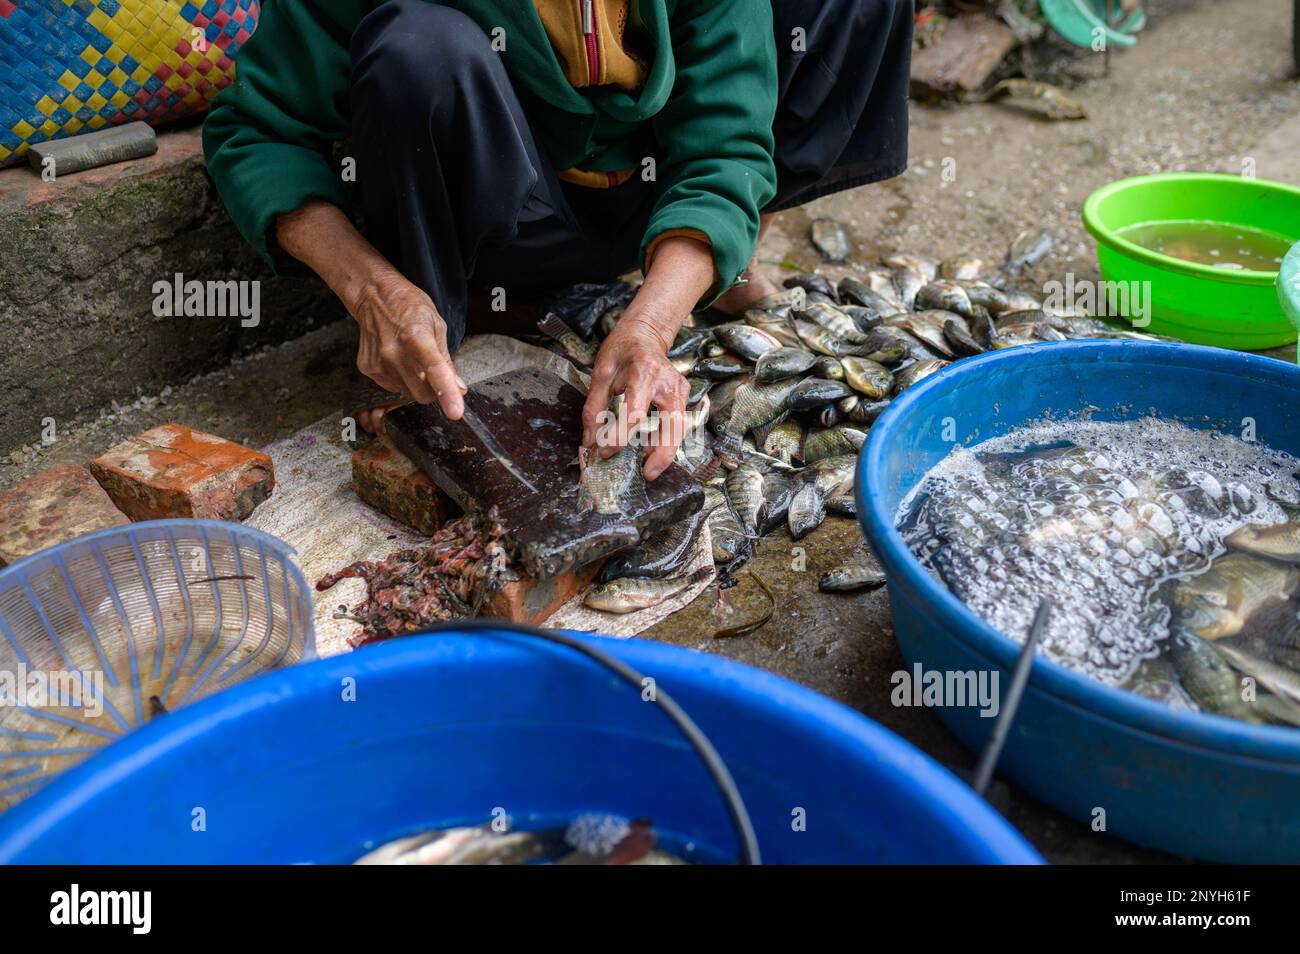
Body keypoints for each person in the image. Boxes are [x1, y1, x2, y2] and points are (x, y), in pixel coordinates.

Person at [203, 0, 912, 480]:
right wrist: (371, 288)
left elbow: (724, 149)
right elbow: (256, 132)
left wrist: (651, 324)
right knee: (418, 50)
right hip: (507, 205)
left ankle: (713, 250)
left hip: (648, 197)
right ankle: (453, 313)